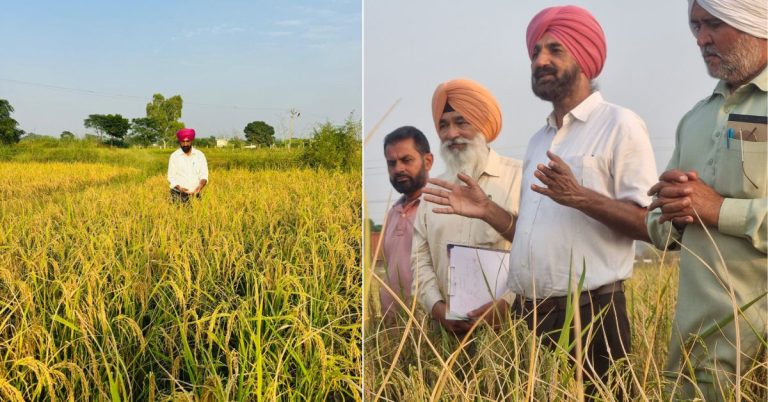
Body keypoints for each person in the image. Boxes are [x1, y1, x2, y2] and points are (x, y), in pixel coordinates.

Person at [424, 6, 657, 396]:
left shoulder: (621, 124)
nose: (540, 60)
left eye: (554, 49)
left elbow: (651, 224)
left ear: (585, 57)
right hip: (530, 317)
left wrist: (581, 197)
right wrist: (488, 210)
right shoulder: (538, 140)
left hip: (591, 314)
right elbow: (530, 234)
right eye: (535, 52)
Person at [645, 1, 766, 399]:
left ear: (755, 22)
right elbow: (658, 228)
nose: (701, 39)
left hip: (760, 356)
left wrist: (719, 209)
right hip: (697, 357)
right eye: (696, 26)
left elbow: (711, 208)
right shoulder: (694, 120)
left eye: (714, 24)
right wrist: (674, 212)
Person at [411, 78, 522, 337]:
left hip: (509, 336)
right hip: (446, 336)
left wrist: (506, 304)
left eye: (461, 122)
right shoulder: (434, 192)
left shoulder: (520, 178)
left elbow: (535, 254)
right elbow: (420, 259)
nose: (451, 134)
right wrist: (438, 309)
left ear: (484, 124)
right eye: (443, 125)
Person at [379, 126, 434, 324]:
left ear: (427, 161)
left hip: (429, 331)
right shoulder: (392, 214)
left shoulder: (441, 208)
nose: (398, 168)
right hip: (391, 332)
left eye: (406, 160)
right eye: (391, 163)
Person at [168, 128, 208, 202]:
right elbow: (171, 177)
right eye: (183, 142)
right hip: (178, 194)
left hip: (195, 194)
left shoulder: (200, 155)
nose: (185, 144)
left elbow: (204, 175)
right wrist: (179, 188)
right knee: (177, 213)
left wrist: (200, 186)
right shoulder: (174, 156)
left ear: (191, 141)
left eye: (187, 141)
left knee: (197, 213)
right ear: (179, 142)